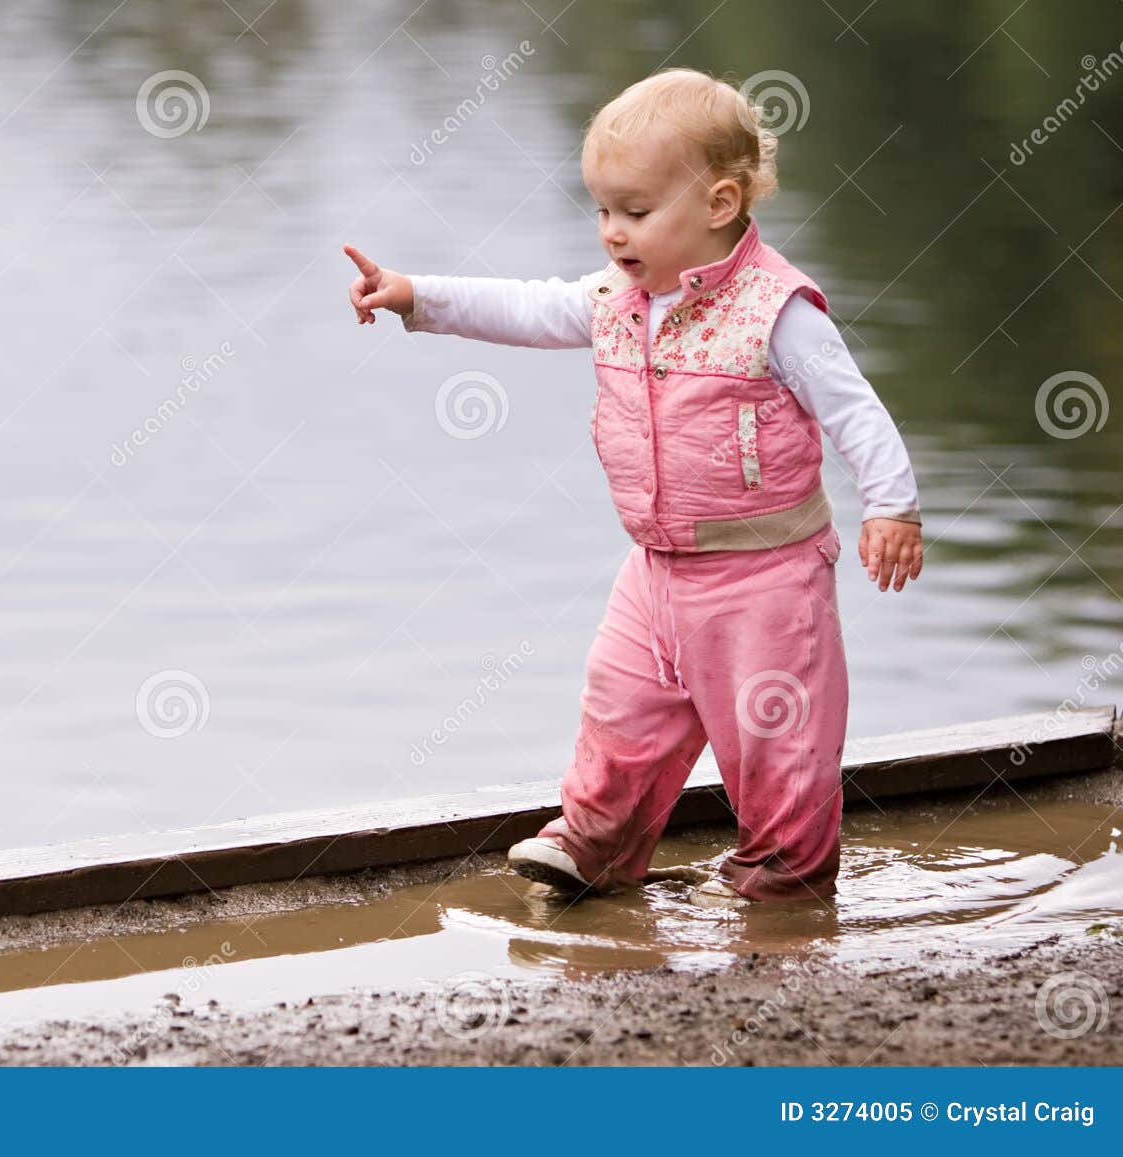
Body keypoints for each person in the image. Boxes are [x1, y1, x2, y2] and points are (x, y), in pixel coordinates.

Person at [342, 67, 923, 909]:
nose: (613, 232)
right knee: (622, 709)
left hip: (764, 580)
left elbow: (856, 412)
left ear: (720, 204)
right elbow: (529, 308)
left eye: (637, 212)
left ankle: (787, 882)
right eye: (604, 210)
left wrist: (892, 506)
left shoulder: (777, 312)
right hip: (654, 570)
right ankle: (595, 843)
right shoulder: (618, 297)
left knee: (777, 745)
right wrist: (417, 297)